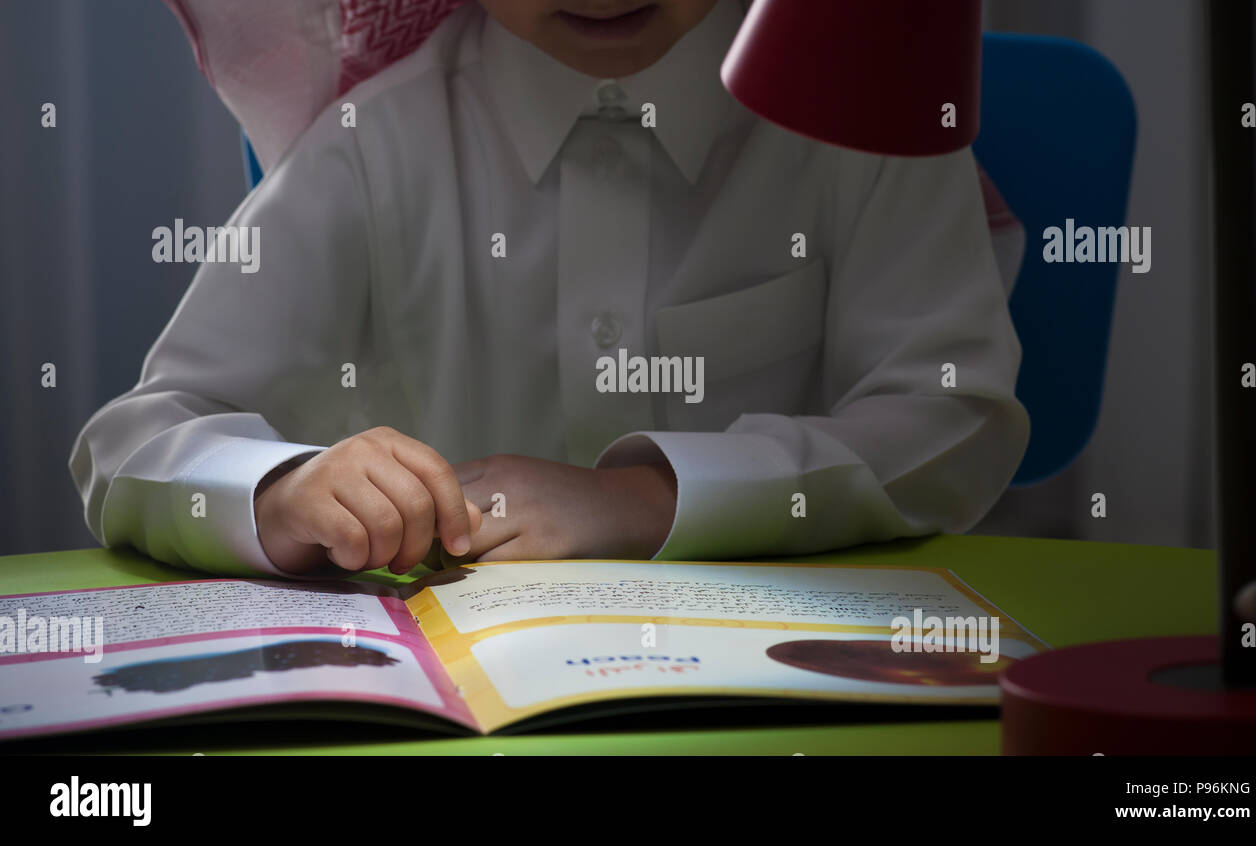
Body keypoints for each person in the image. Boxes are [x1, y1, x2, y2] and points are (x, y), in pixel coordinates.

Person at [70, 0, 1029, 578]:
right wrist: (279, 494)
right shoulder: (371, 151)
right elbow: (134, 439)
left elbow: (958, 417)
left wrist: (648, 497)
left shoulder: (854, 118)